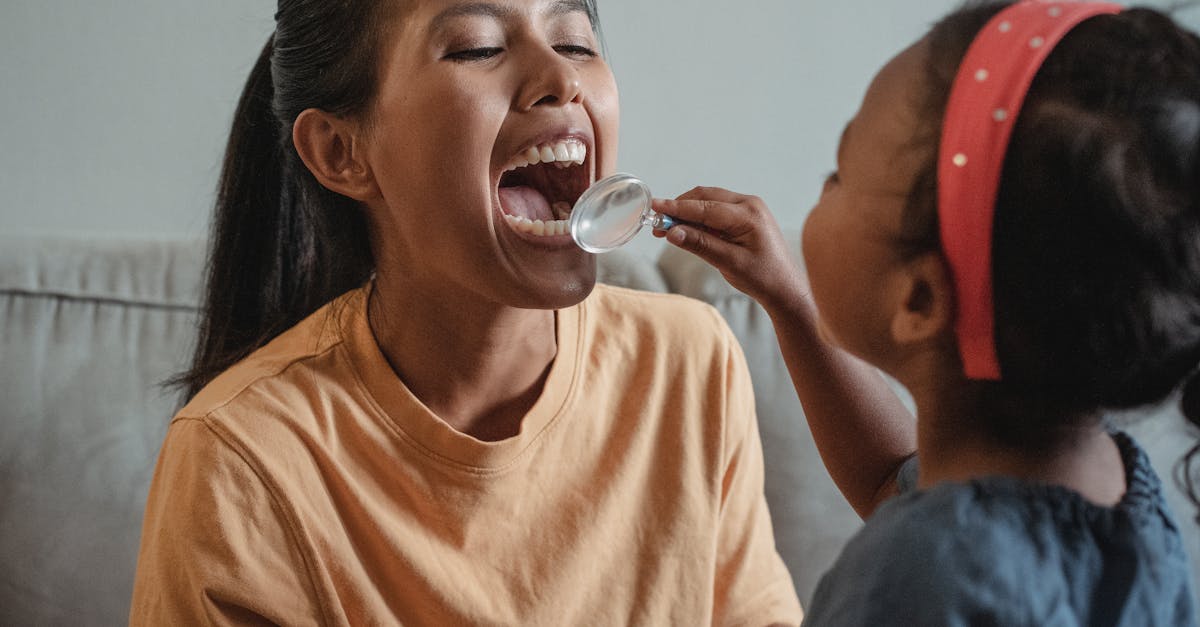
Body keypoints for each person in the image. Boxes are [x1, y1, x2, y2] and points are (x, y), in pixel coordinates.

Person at [129, 1, 803, 624]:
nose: (558, 77)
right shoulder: (240, 461)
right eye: (477, 48)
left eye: (573, 40)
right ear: (342, 152)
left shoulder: (689, 362)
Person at [654, 0, 1200, 624]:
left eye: (839, 174)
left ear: (918, 299)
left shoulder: (910, 578)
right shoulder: (1122, 494)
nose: (821, 189)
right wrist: (790, 300)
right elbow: (896, 483)